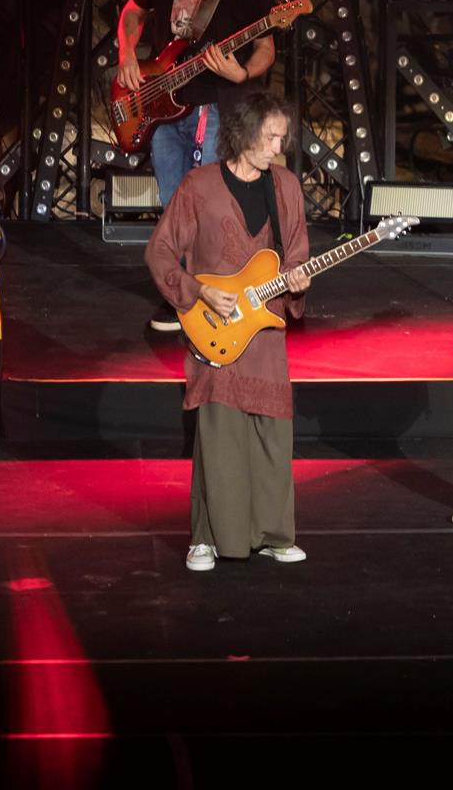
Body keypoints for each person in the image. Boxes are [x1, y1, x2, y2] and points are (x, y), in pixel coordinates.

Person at [145, 90, 311, 573]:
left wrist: (299, 279)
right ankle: (206, 539)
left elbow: (296, 253)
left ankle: (275, 536)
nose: (278, 147)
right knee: (218, 437)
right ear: (241, 134)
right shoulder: (198, 186)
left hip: (266, 333)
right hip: (213, 327)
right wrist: (196, 291)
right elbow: (159, 252)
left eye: (283, 137)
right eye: (271, 136)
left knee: (272, 436)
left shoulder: (287, 187)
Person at [117, 0, 275, 331]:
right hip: (163, 107)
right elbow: (133, 11)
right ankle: (182, 298)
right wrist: (128, 55)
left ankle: (219, 299)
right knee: (173, 206)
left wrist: (241, 75)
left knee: (213, 205)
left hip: (218, 107)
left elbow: (266, 46)